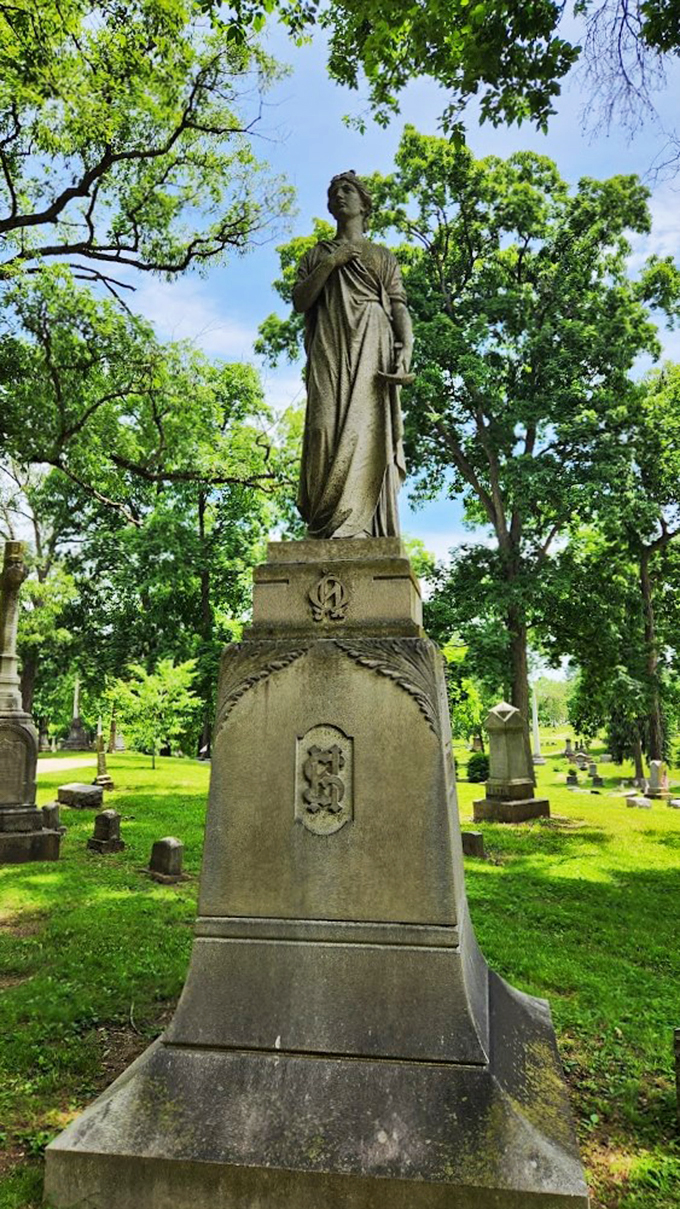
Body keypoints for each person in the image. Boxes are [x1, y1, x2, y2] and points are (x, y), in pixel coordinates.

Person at [293, 171, 414, 538]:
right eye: (334, 192)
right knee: (322, 429)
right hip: (329, 346)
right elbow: (300, 301)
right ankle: (325, 525)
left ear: (364, 204)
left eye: (347, 190)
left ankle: (362, 527)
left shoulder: (382, 256)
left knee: (367, 431)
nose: (339, 195)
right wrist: (333, 262)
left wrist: (406, 346)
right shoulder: (316, 255)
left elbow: (398, 306)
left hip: (372, 347)